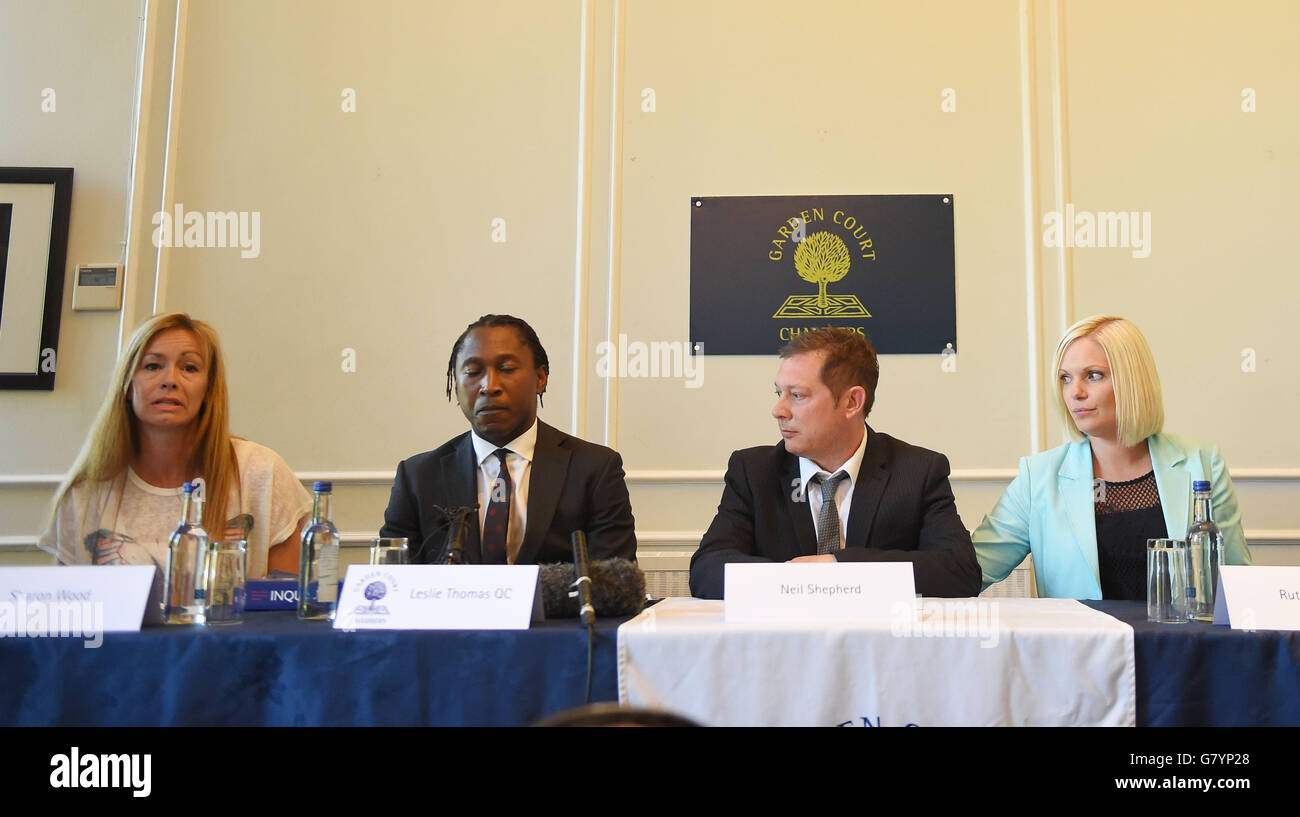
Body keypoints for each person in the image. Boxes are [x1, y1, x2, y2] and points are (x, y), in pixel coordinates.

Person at [689, 327, 981, 599]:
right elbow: (707, 571)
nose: (778, 410)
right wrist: (797, 581)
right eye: (779, 393)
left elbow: (960, 571)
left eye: (797, 395)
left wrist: (835, 567)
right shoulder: (753, 472)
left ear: (852, 402)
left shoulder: (917, 471)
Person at [973, 315, 1251, 599]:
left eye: (1093, 375)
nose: (1074, 392)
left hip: (1183, 644)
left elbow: (1240, 586)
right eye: (1065, 378)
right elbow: (969, 570)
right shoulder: (1039, 477)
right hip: (1082, 644)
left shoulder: (1202, 463)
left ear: (1133, 382)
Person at [40, 313, 312, 579]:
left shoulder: (262, 473)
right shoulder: (85, 492)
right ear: (128, 385)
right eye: (152, 366)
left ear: (208, 390)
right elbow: (70, 610)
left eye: (189, 368)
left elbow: (286, 611)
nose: (169, 380)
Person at [381, 314, 637, 564]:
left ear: (540, 378)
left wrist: (517, 593)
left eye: (506, 369)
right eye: (472, 372)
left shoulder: (594, 469)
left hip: (556, 609)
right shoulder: (418, 477)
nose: (489, 385)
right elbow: (392, 586)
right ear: (455, 385)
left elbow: (616, 583)